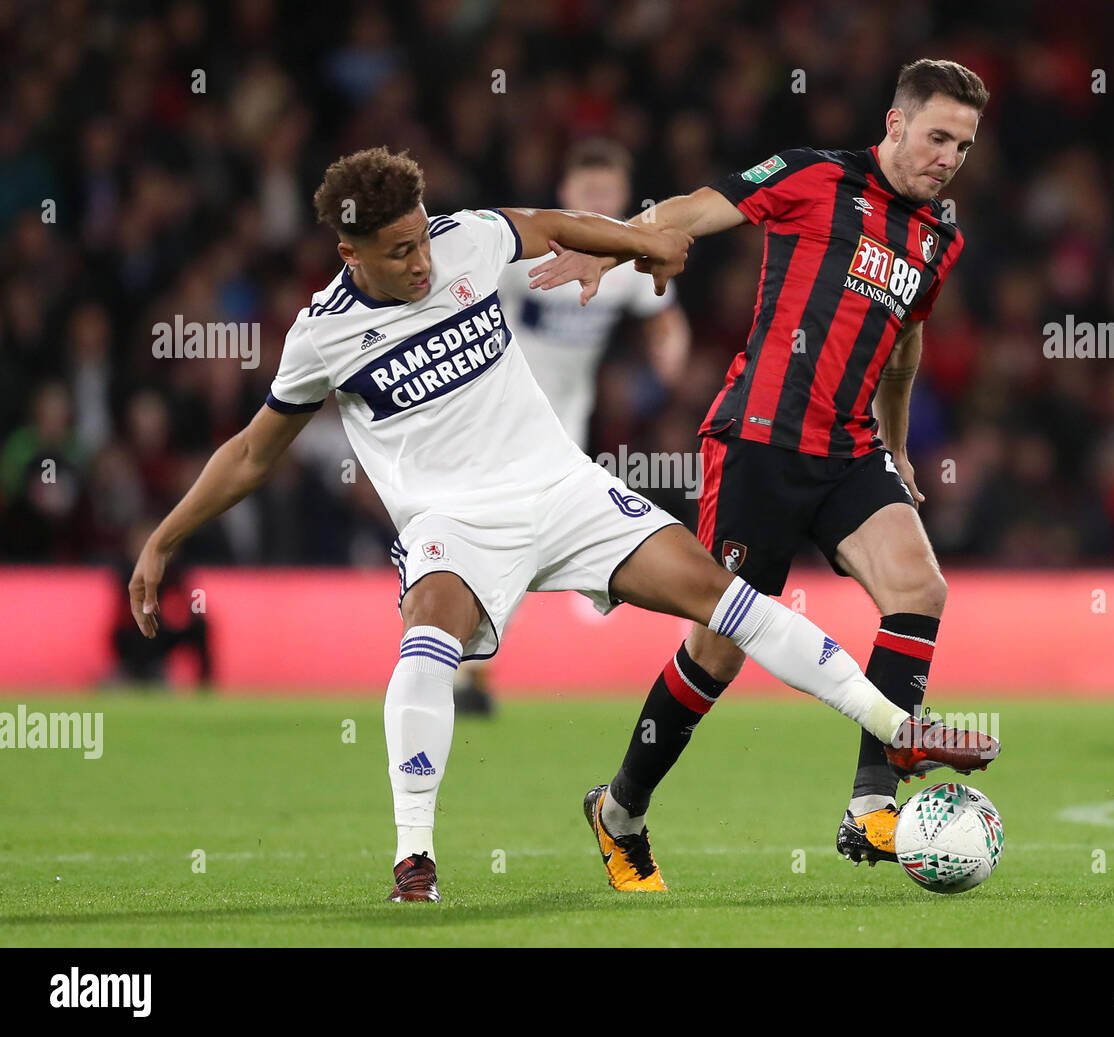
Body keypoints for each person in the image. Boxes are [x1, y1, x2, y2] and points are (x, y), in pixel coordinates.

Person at [128, 146, 996, 905]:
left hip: (563, 489)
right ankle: (414, 856)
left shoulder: (465, 237)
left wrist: (644, 241)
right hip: (454, 522)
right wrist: (165, 539)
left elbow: (549, 223)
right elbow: (251, 452)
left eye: (425, 238)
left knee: (727, 604)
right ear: (350, 252)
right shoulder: (323, 337)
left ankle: (895, 730)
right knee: (426, 631)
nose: (424, 262)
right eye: (399, 253)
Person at [529, 59, 991, 888]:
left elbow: (905, 339)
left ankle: (871, 808)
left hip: (850, 448)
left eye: (962, 144)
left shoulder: (937, 240)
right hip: (759, 442)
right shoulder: (814, 177)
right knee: (717, 651)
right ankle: (620, 809)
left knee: (920, 588)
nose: (949, 157)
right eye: (937, 137)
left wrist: (898, 442)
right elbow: (697, 209)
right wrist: (617, 247)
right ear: (893, 123)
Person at [453, 138, 691, 715]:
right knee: (501, 535)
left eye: (609, 194)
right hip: (499, 418)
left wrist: (670, 355)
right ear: (565, 196)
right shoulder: (524, 253)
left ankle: (472, 666)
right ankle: (598, 581)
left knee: (520, 539)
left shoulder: (628, 265)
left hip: (565, 423)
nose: (600, 204)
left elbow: (666, 320)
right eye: (588, 194)